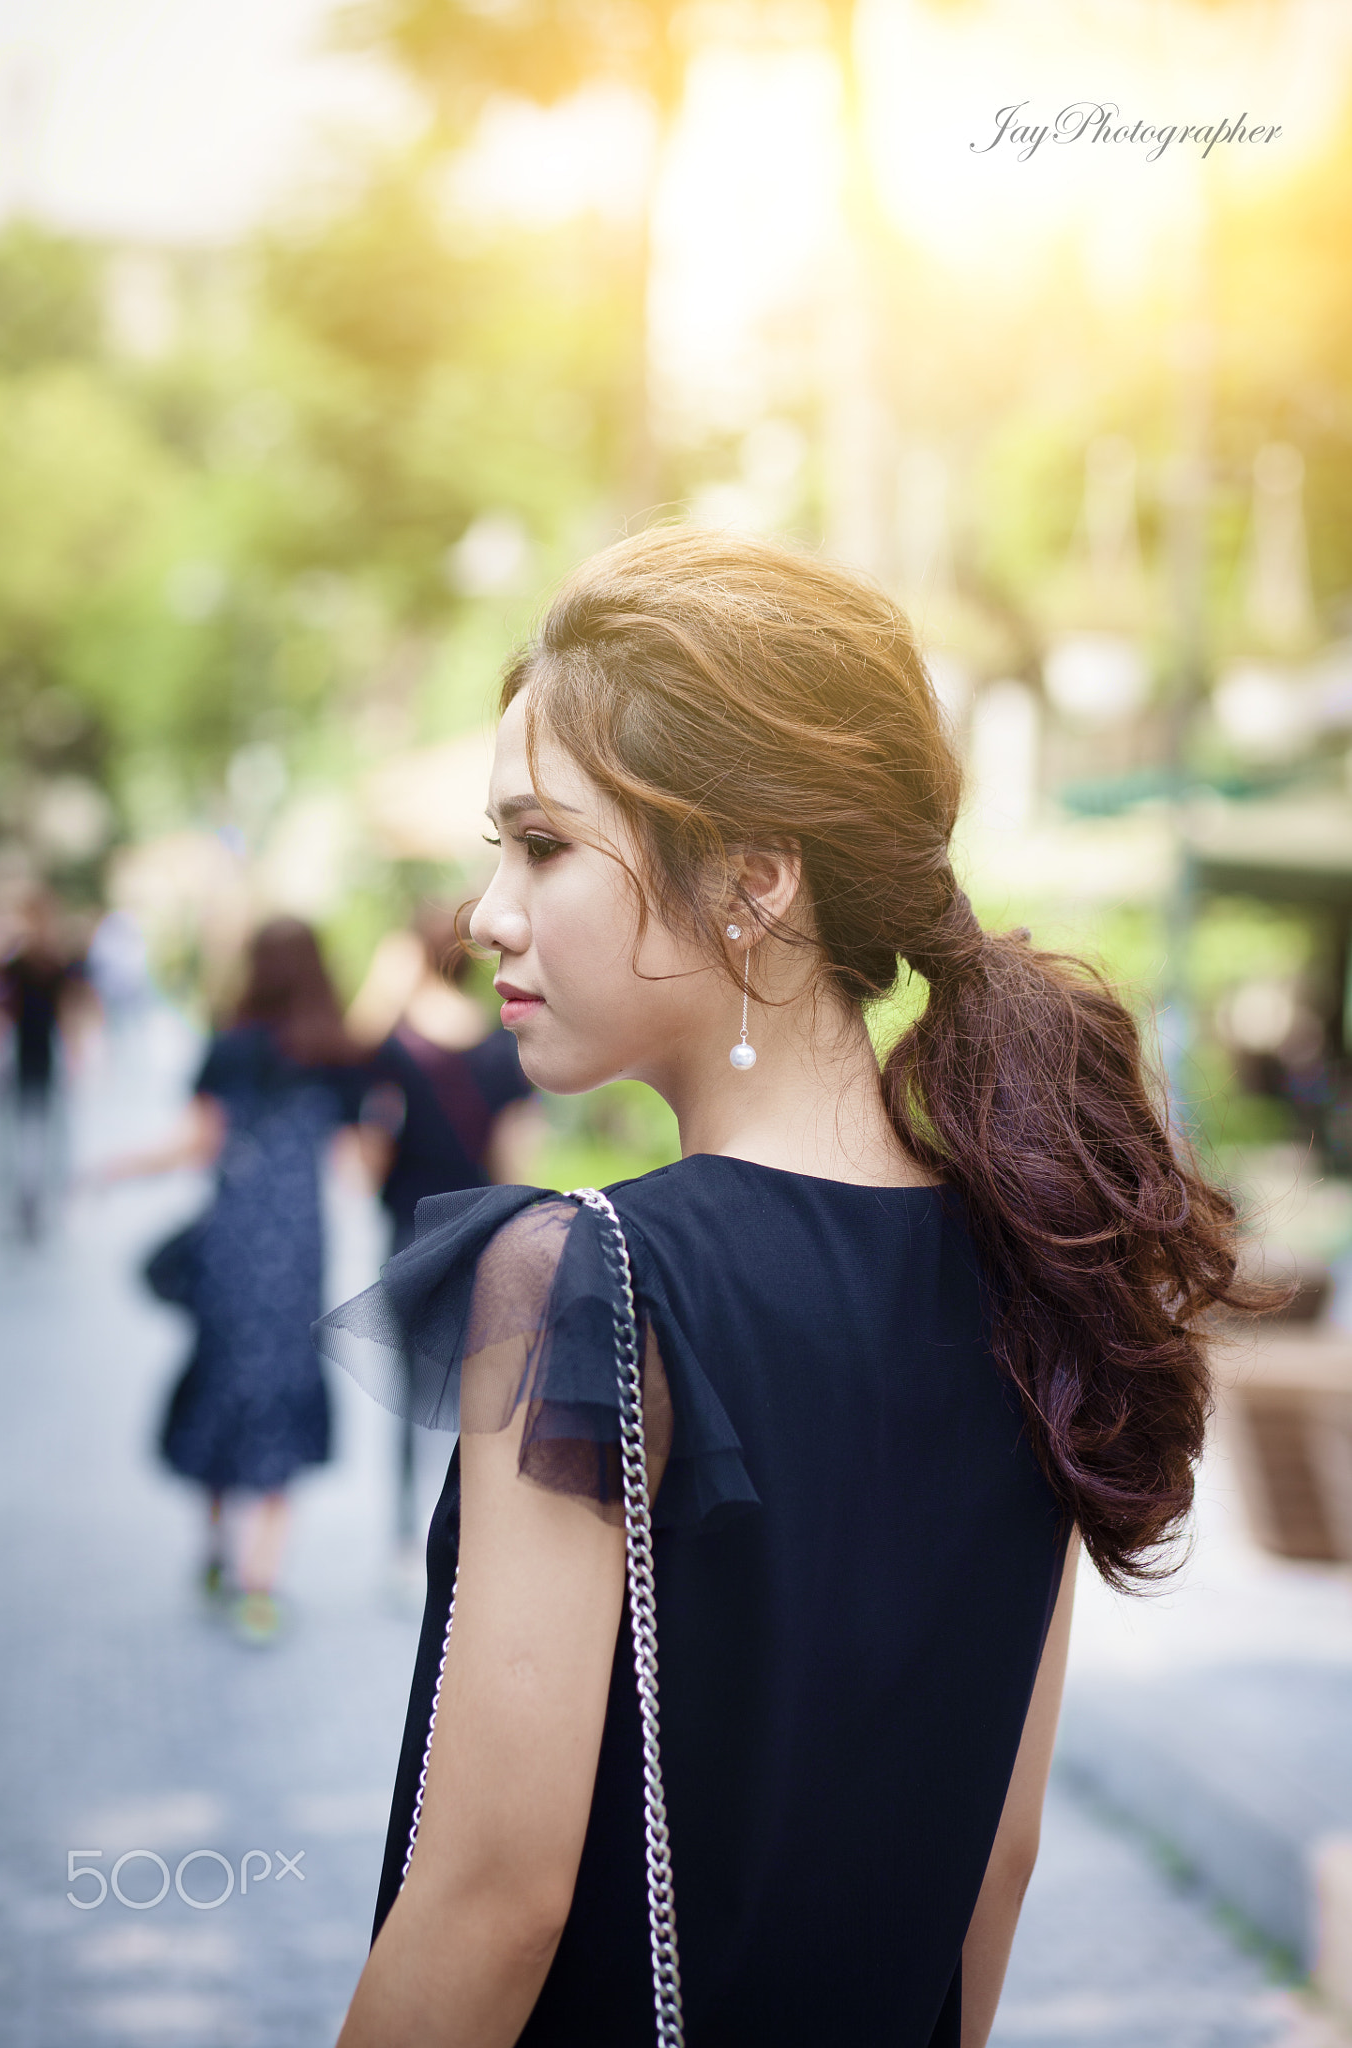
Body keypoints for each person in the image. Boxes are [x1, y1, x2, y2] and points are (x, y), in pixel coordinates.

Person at [317, 529, 1259, 2047]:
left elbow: (492, 1902)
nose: (485, 911)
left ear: (753, 880)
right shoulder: (1043, 1273)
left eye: (543, 845)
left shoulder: (579, 1282)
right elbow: (994, 1874)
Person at [103, 917, 367, 1646]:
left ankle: (220, 1552)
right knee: (282, 1390)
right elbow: (355, 1167)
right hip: (297, 1255)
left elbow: (196, 1144)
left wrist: (117, 1169)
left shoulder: (228, 1048)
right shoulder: (337, 1057)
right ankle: (262, 1584)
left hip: (229, 1246)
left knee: (223, 1383)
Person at [349, 902, 544, 1556]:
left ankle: (408, 1536)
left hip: (408, 1237)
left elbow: (365, 1157)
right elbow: (514, 1160)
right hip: (481, 1239)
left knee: (410, 1392)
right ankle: (475, 1535)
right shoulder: (502, 1046)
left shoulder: (392, 1048)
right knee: (480, 1392)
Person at [0, 885, 94, 1242]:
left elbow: (71, 1008)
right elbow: (0, 1008)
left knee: (52, 1133)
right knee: (13, 1136)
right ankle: (19, 1200)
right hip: (19, 1056)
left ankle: (48, 1200)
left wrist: (75, 1049)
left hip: (48, 1054)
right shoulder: (13, 964)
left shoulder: (60, 963)